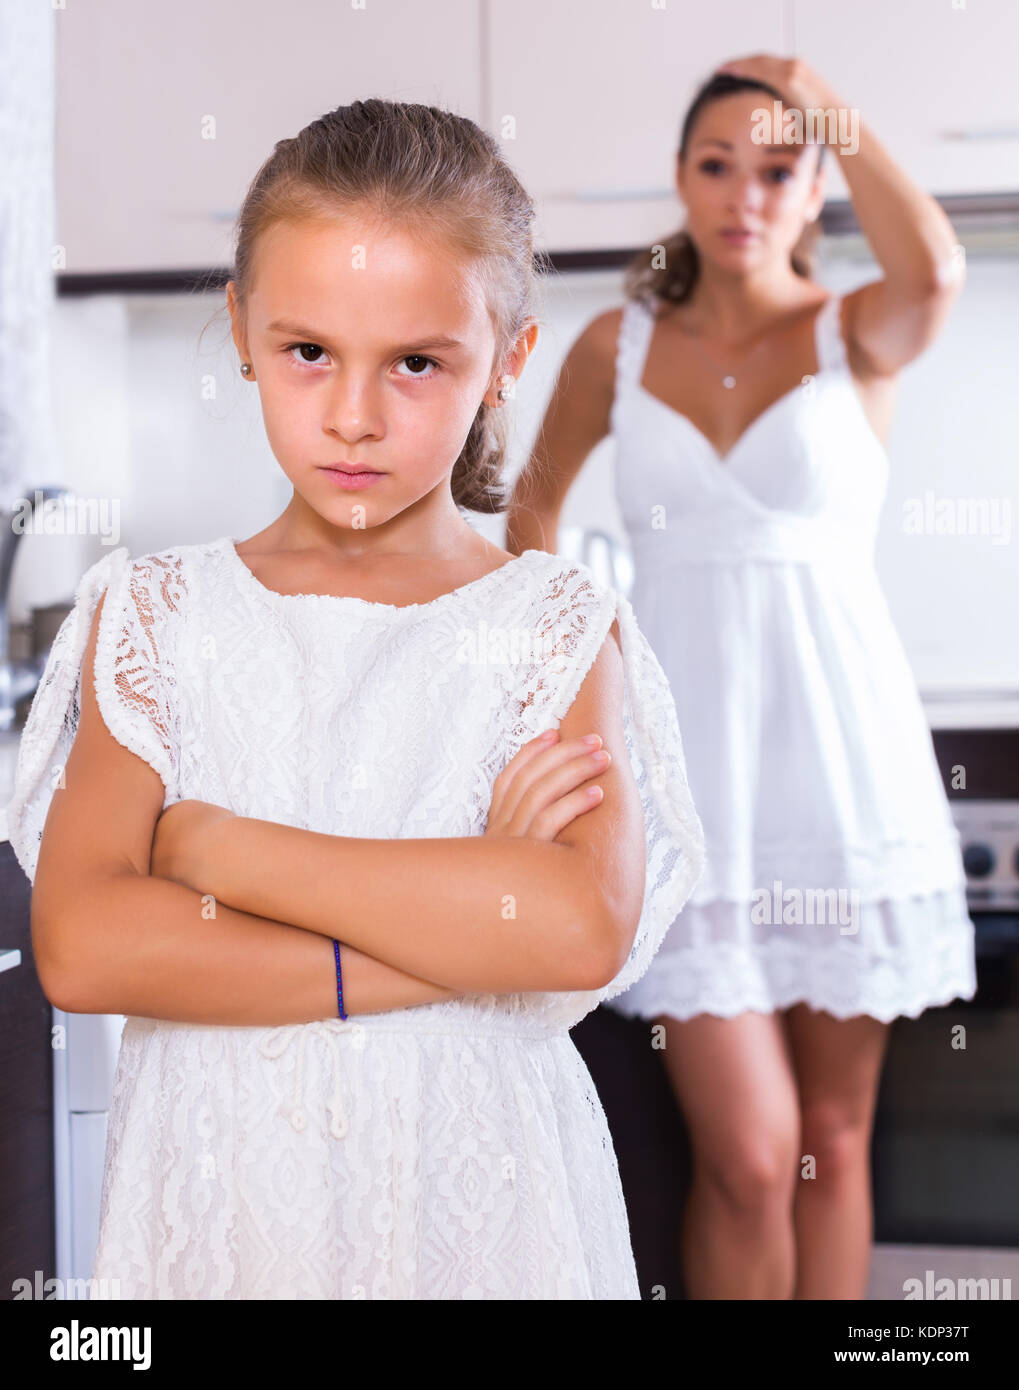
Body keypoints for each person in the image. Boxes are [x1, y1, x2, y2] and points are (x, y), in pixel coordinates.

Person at [8, 98, 706, 1300]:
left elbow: (576, 926)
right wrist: (466, 923)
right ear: (239, 328)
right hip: (223, 1208)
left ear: (508, 360)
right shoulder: (150, 617)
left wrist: (218, 848)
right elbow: (84, 945)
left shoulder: (552, 624)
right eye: (308, 350)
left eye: (418, 363)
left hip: (485, 1206)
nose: (352, 415)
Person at [504, 58, 976, 1300]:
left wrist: (829, 105)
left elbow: (934, 273)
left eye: (777, 166)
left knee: (830, 1141)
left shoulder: (854, 329)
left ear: (816, 182)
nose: (743, 193)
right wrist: (567, 676)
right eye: (715, 163)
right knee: (752, 1160)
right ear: (678, 179)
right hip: (688, 791)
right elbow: (533, 512)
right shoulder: (618, 342)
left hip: (841, 778)